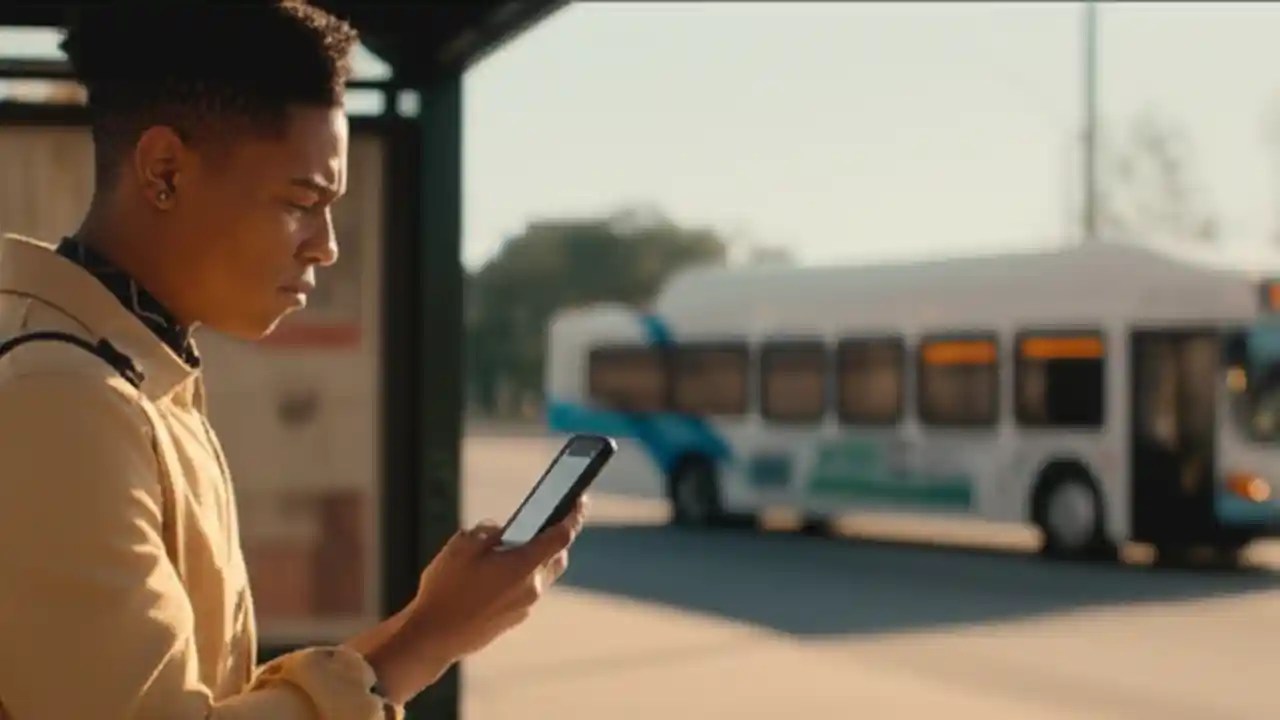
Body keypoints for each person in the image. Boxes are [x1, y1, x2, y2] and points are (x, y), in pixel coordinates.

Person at [0, 2, 586, 718]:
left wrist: (427, 622)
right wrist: (427, 639)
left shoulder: (129, 377)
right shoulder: (61, 401)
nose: (325, 245)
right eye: (302, 200)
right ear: (164, 171)